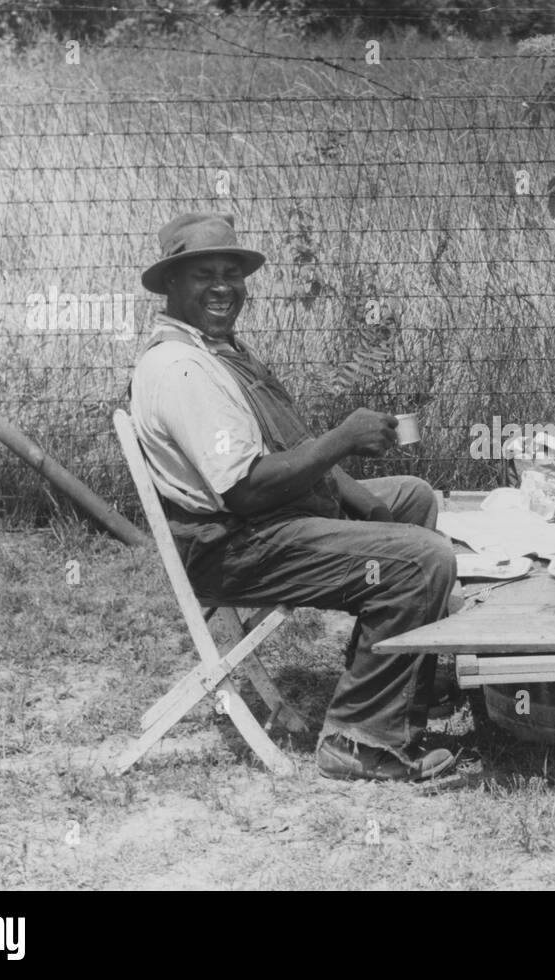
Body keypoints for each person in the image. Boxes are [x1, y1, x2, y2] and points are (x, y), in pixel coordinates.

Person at [129, 212, 457, 781]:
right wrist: (344, 439)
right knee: (423, 558)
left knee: (411, 498)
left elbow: (290, 445)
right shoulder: (184, 368)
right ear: (171, 286)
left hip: (265, 522)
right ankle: (360, 743)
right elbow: (248, 488)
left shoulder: (218, 351)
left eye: (232, 272)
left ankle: (398, 690)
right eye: (204, 274)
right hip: (234, 545)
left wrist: (370, 506)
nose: (223, 287)